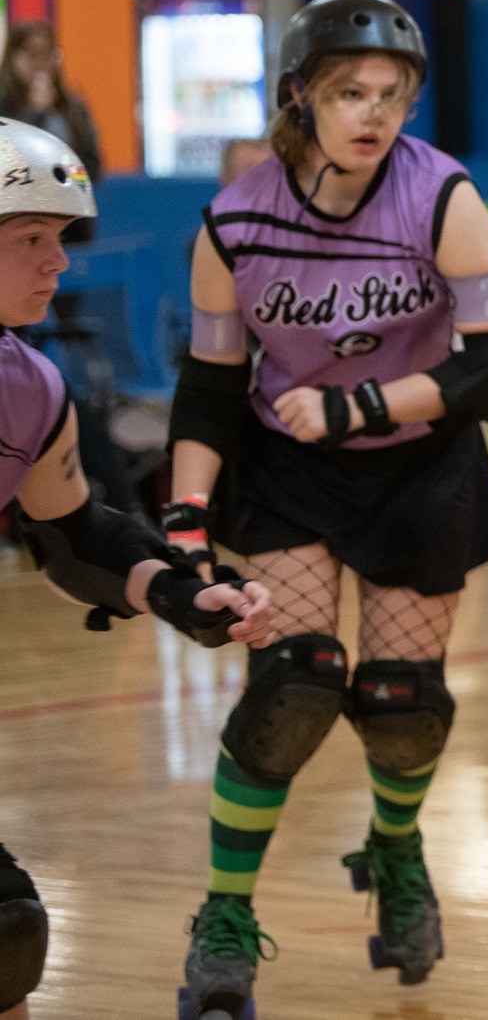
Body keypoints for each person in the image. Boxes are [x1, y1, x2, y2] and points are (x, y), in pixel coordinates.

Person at [165, 0, 488, 1017]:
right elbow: (208, 386)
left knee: (404, 703)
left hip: (420, 461)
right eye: (348, 94)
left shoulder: (441, 196)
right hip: (288, 469)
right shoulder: (235, 219)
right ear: (300, 98)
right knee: (297, 683)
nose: (374, 116)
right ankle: (224, 913)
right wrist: (189, 512)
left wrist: (362, 401)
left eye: (393, 96)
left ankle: (397, 847)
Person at [0, 118, 276, 1020]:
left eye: (58, 240)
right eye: (31, 241)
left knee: (7, 938)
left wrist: (185, 593)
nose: (60, 264)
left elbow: (74, 534)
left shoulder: (31, 388)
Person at [0, 23, 102, 185]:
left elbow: (93, 168)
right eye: (32, 54)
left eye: (47, 54)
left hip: (66, 202)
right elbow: (11, 160)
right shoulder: (3, 105)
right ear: (12, 56)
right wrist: (37, 113)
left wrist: (68, 181)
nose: (40, 62)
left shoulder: (71, 106)